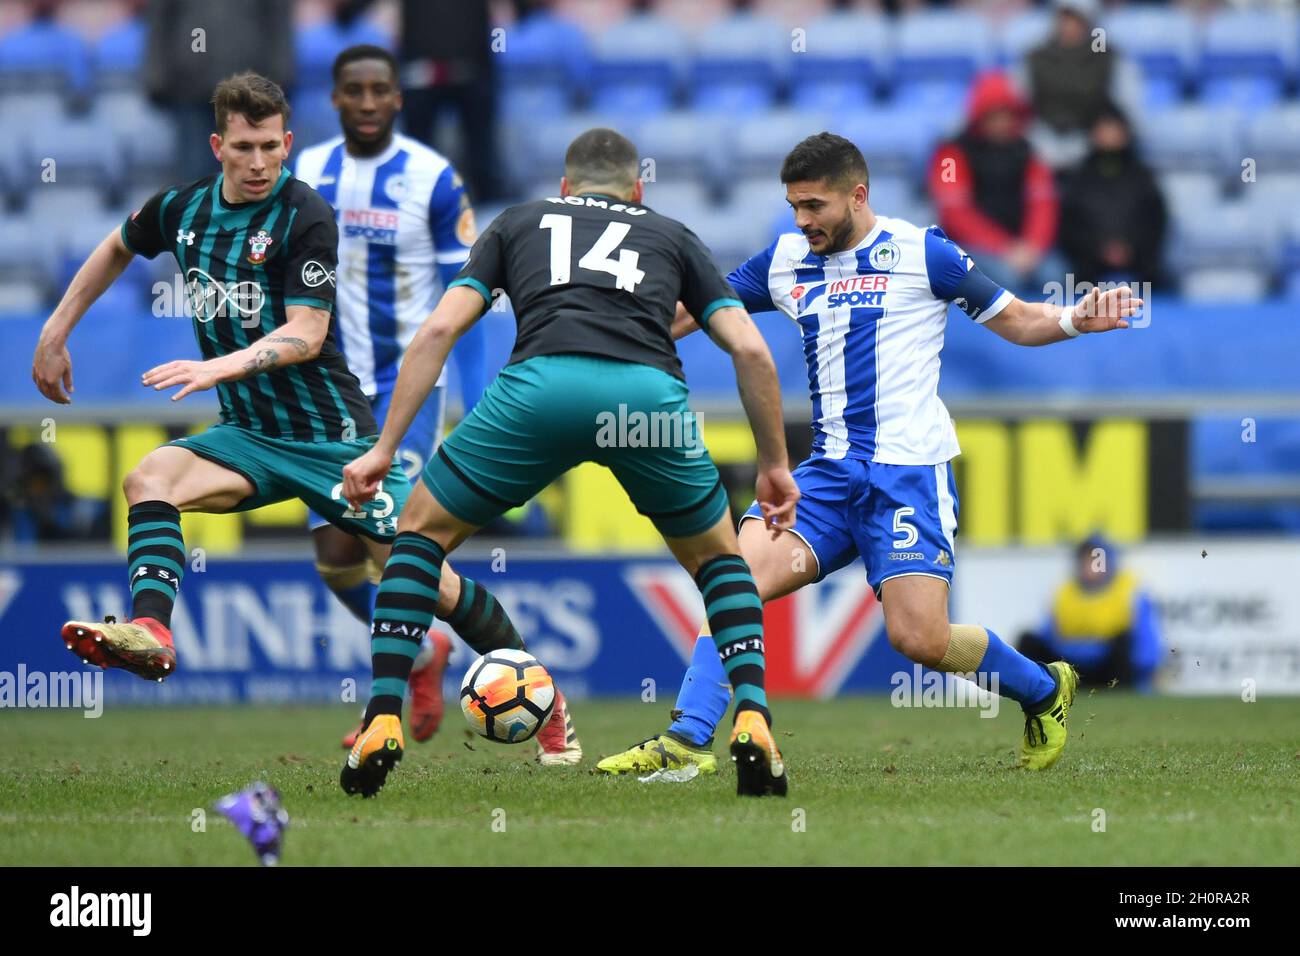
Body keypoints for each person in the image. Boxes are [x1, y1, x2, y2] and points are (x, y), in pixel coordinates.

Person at [30, 73, 578, 767]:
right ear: (218, 147)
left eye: (270, 147)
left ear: (287, 143)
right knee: (150, 478)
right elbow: (117, 244)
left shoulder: (304, 214)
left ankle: (548, 702)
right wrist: (56, 330)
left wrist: (219, 367)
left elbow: (308, 333)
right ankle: (152, 632)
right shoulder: (181, 209)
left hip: (333, 441)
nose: (259, 163)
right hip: (250, 437)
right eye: (244, 148)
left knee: (430, 582)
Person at [597, 133, 1141, 779]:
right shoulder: (784, 260)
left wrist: (1077, 318)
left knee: (921, 640)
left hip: (908, 476)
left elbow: (1018, 321)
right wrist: (610, 334)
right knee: (733, 579)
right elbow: (696, 311)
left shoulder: (924, 253)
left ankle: (1043, 689)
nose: (802, 220)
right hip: (826, 478)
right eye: (794, 206)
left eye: (814, 206)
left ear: (857, 195)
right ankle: (687, 739)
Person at [337, 128, 799, 799]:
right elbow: (751, 351)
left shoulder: (518, 221)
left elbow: (439, 329)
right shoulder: (671, 234)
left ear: (564, 186)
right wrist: (774, 464)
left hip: (539, 393)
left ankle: (383, 715)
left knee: (418, 535)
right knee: (719, 563)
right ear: (636, 190)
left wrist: (384, 449)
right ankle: (753, 715)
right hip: (645, 400)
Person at [295, 45, 560, 755]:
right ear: (336, 98)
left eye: (380, 89)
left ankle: (532, 695)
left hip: (402, 394)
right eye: (354, 90)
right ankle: (423, 655)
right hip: (325, 394)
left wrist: (475, 402)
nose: (368, 102)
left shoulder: (434, 179)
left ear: (397, 98)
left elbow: (465, 302)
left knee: (399, 552)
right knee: (335, 557)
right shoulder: (306, 173)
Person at [929, 71, 1062, 297]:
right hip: (970, 247)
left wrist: (1033, 246)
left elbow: (1043, 203)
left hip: (1024, 247)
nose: (1002, 122)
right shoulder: (951, 154)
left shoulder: (1029, 152)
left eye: (1007, 114)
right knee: (1008, 279)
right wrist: (1005, 248)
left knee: (1056, 275)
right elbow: (955, 213)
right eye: (994, 115)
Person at [1017, 534, 1163, 692]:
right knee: (1028, 640)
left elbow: (1146, 640)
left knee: (1123, 642)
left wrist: (1143, 675)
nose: (1090, 567)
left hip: (1107, 667)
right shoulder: (1065, 592)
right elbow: (1048, 635)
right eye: (1085, 561)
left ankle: (1122, 692)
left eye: (1095, 560)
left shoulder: (1130, 589)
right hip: (1069, 665)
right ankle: (1031, 693)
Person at [1057, 104, 1167, 289]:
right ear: (1092, 134)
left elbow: (1154, 221)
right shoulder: (1078, 177)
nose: (1109, 135)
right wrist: (1099, 249)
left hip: (1139, 262)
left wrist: (1129, 248)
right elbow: (1069, 224)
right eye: (1104, 129)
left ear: (1126, 134)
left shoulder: (1143, 177)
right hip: (1086, 264)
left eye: (1114, 129)